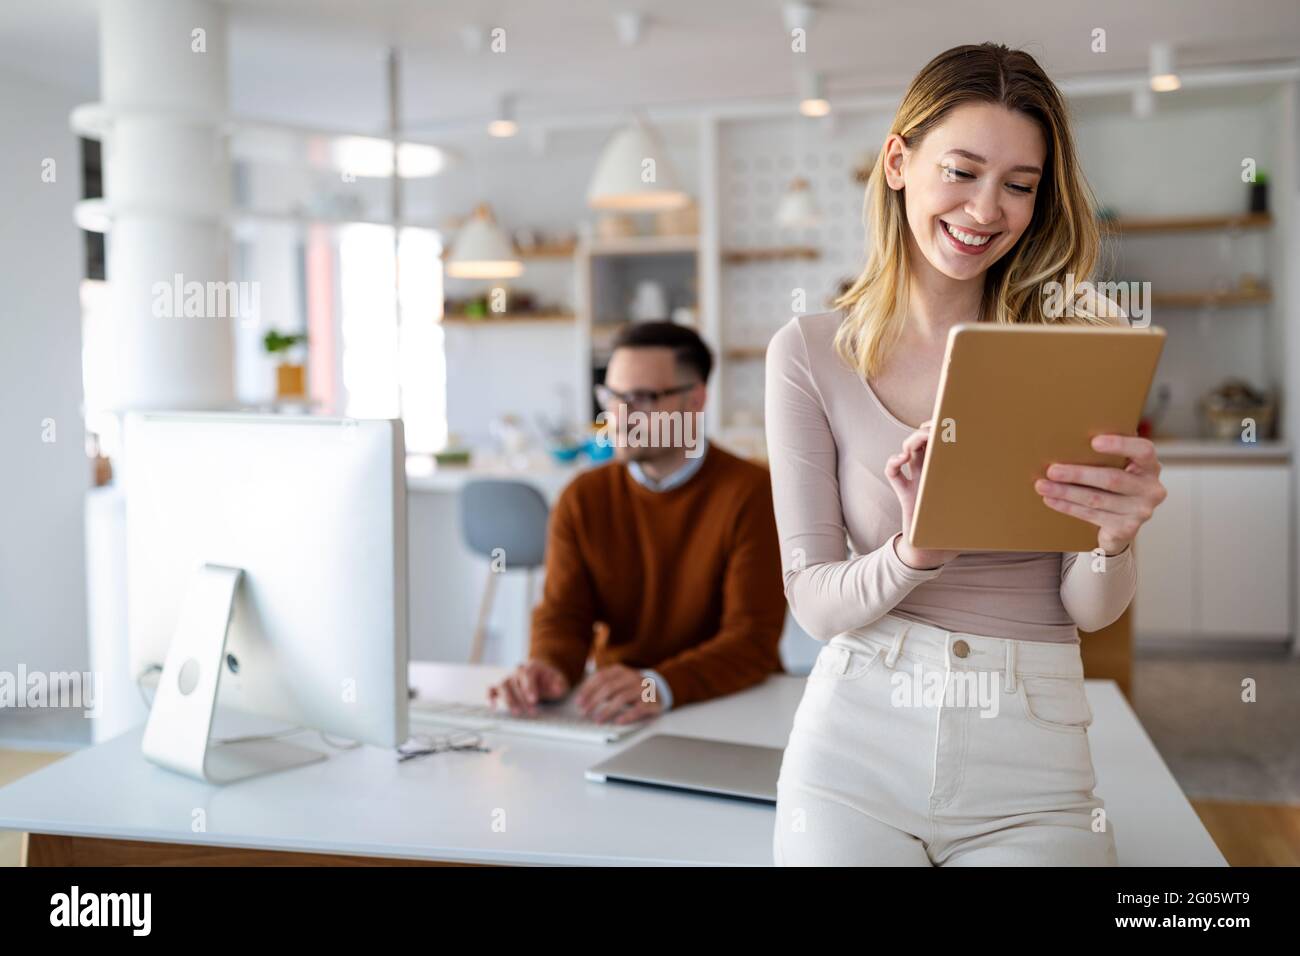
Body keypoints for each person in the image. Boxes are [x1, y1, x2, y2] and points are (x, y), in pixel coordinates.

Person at [765, 42, 1167, 866]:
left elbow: (1090, 609)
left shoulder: (1082, 343)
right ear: (898, 160)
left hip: (1033, 763)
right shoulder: (809, 351)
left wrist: (1114, 540)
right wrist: (915, 553)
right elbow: (813, 602)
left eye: (1019, 186)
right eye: (963, 171)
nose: (987, 210)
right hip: (854, 747)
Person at [488, 321, 787, 724]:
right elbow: (563, 616)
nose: (619, 416)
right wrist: (549, 666)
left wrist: (658, 685)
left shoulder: (752, 493)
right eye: (611, 396)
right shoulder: (582, 497)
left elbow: (752, 641)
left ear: (695, 400)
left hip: (731, 704)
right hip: (615, 704)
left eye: (641, 398)